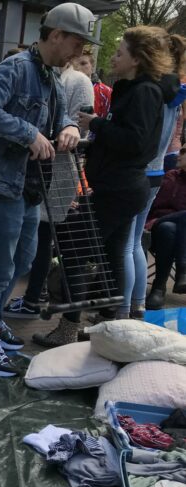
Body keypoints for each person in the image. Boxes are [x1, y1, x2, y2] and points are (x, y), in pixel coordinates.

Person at [0, 3, 90, 377]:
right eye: (77, 42)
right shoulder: (17, 68)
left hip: (30, 187)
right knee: (1, 266)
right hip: (2, 184)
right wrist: (28, 133)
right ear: (56, 35)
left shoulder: (51, 75)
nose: (81, 52)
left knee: (21, 262)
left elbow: (57, 116)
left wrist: (69, 126)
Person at [34, 25, 173, 346]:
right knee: (110, 254)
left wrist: (94, 124)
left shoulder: (144, 92)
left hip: (119, 188)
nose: (113, 56)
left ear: (137, 59)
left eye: (120, 52)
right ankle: (111, 325)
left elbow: (137, 143)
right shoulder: (139, 89)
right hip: (123, 187)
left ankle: (68, 328)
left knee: (75, 248)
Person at [4, 54, 94, 317]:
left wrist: (51, 135)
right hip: (40, 169)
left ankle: (32, 299)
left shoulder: (77, 81)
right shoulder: (51, 77)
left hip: (58, 171)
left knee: (44, 235)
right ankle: (35, 293)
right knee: (40, 236)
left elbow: (78, 129)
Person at [117, 33, 186, 319]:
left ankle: (122, 308)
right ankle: (137, 305)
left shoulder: (154, 91)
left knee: (126, 244)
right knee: (134, 243)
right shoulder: (173, 92)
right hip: (157, 171)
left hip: (141, 172)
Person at [146, 147, 186, 309]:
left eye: (183, 152)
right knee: (169, 227)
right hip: (156, 229)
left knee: (172, 226)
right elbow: (152, 203)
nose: (178, 155)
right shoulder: (170, 176)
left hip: (175, 234)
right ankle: (182, 271)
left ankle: (159, 287)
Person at [74, 51, 112, 116]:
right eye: (74, 65)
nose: (78, 68)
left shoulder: (106, 91)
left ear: (92, 66)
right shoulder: (64, 86)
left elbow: (108, 121)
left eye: (83, 63)